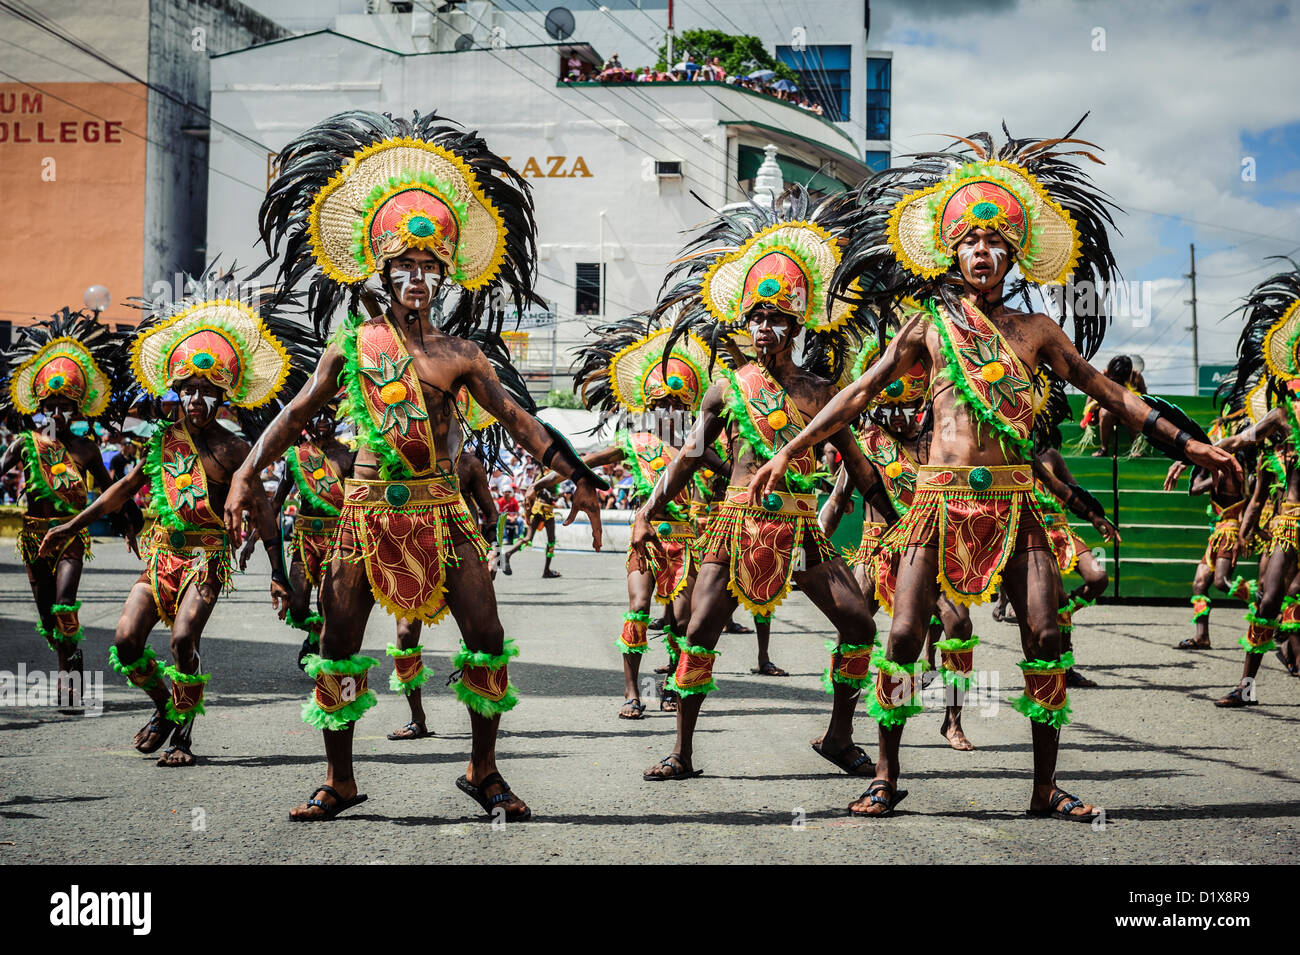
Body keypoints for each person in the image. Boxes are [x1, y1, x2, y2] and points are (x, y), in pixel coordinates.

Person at [751, 121, 1238, 819]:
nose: (983, 251)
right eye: (972, 241)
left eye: (997, 243)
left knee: (1045, 632)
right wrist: (787, 451)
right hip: (938, 501)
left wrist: (1192, 445)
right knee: (903, 634)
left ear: (1013, 256)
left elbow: (1113, 395)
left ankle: (1044, 787)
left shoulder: (1036, 333)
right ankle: (885, 775)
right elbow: (857, 396)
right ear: (953, 250)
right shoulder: (926, 325)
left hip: (1016, 502)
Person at [232, 108, 608, 821]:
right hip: (366, 512)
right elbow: (292, 417)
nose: (417, 277)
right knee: (339, 645)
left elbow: (521, 422)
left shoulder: (460, 355)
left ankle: (482, 768)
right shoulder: (353, 345)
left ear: (445, 275)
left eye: (429, 266)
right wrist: (249, 471)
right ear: (382, 268)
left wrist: (579, 469)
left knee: (488, 639)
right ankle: (340, 780)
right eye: (404, 264)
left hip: (442, 510)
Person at [629, 182, 890, 782]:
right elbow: (690, 456)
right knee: (698, 633)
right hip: (738, 524)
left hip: (800, 528)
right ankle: (683, 752)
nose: (765, 327)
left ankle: (839, 735)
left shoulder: (822, 393)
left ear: (797, 324)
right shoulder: (727, 386)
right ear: (744, 322)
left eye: (777, 317)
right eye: (756, 316)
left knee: (858, 622)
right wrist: (648, 510)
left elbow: (857, 463)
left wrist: (893, 517)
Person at [41, 280, 304, 765]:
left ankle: (183, 735)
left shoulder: (234, 450)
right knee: (125, 642)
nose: (197, 401)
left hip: (206, 561)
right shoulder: (164, 440)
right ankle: (164, 706)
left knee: (184, 639)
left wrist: (277, 572)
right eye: (189, 391)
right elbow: (123, 489)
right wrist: (72, 525)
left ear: (223, 396)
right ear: (177, 394)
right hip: (163, 554)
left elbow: (264, 512)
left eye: (207, 392)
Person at [562, 312, 717, 718]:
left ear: (686, 408)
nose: (667, 410)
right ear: (649, 406)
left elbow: (734, 468)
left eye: (675, 403)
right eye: (660, 403)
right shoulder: (636, 440)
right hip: (645, 537)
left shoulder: (699, 448)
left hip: (687, 540)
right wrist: (552, 478)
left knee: (682, 622)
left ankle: (668, 686)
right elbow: (590, 460)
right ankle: (632, 693)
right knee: (639, 607)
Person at [0, 307, 138, 710]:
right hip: (33, 536)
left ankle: (69, 680)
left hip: (72, 535)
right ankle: (68, 661)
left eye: (65, 405)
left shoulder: (86, 449)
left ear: (77, 408)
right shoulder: (23, 444)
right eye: (51, 404)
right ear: (41, 406)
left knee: (64, 604)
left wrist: (128, 520)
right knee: (46, 617)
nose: (58, 412)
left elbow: (113, 489)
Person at [1203, 260, 1300, 705]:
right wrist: (1197, 453)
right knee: (1268, 601)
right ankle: (1246, 688)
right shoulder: (1284, 417)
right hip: (1290, 525)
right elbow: (1242, 437)